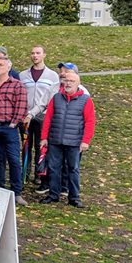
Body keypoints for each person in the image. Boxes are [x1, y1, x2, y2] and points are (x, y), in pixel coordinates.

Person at [40, 71, 95, 208]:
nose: (68, 83)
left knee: (73, 169)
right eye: (66, 80)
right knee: (53, 168)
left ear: (78, 84)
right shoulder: (56, 98)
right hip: (55, 140)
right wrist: (44, 137)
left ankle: (74, 197)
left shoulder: (86, 100)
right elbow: (48, 119)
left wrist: (86, 140)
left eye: (72, 81)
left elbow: (90, 122)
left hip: (74, 141)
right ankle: (53, 195)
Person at [0, 58, 28, 206]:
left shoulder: (17, 85)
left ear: (9, 67)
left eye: (1, 65)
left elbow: (21, 106)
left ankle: (16, 192)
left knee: (14, 160)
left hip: (9, 127)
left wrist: (14, 123)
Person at [20, 46, 60, 193]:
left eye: (38, 53)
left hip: (43, 116)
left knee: (40, 146)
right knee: (26, 146)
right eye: (32, 53)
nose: (35, 55)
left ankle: (39, 173)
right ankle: (25, 173)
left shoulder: (52, 75)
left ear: (44, 55)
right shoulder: (23, 75)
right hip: (26, 116)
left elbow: (55, 96)